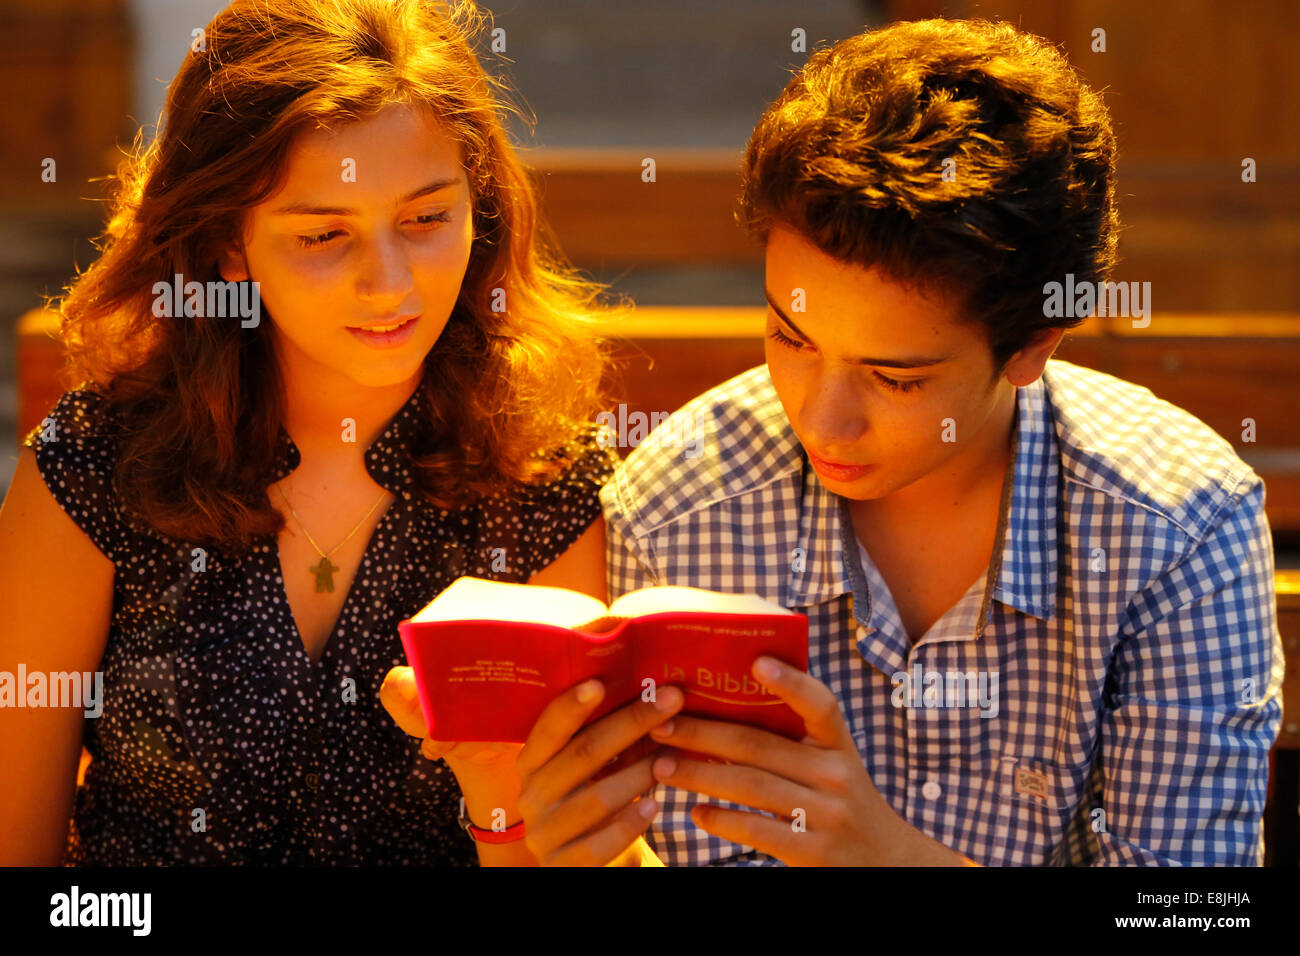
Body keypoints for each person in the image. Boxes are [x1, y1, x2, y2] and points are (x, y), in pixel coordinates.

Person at [390, 17, 1282, 866]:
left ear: (1034, 347)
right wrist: (541, 829)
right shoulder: (678, 506)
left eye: (896, 379)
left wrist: (881, 853)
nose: (820, 418)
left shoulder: (1178, 530)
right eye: (790, 337)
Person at [0, 0, 621, 866]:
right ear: (227, 243)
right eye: (325, 234)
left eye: (427, 218)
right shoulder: (95, 469)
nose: (389, 282)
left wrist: (500, 804)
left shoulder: (542, 478)